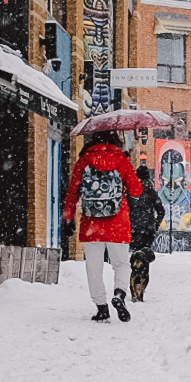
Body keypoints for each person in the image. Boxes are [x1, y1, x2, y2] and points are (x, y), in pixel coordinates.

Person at [62, 131, 143, 322]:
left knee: (93, 267)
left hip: (92, 224)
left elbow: (72, 193)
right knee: (121, 264)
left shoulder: (84, 161)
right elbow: (137, 190)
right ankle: (119, 294)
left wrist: (68, 218)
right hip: (118, 222)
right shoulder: (121, 159)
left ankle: (101, 308)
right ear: (114, 139)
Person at [128, 165, 166, 302]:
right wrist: (155, 224)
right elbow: (161, 210)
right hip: (148, 230)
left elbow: (125, 208)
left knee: (135, 257)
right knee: (145, 259)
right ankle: (142, 287)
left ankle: (133, 284)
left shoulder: (131, 190)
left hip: (133, 229)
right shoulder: (150, 191)